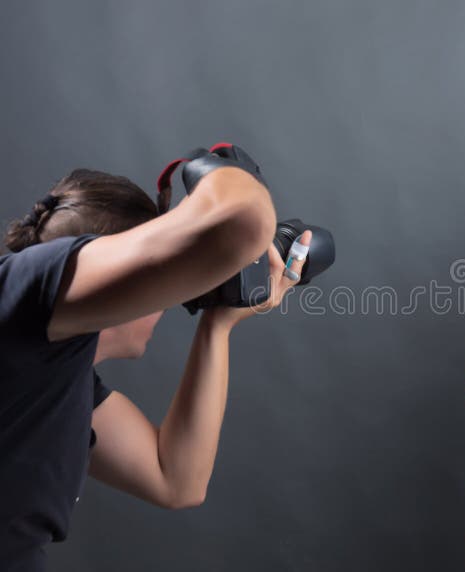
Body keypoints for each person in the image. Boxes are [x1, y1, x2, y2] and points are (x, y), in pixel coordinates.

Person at [0, 159, 310, 570]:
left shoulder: (58, 377)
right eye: (159, 278)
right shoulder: (22, 287)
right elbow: (245, 219)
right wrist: (216, 167)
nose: (166, 300)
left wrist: (217, 326)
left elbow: (177, 479)